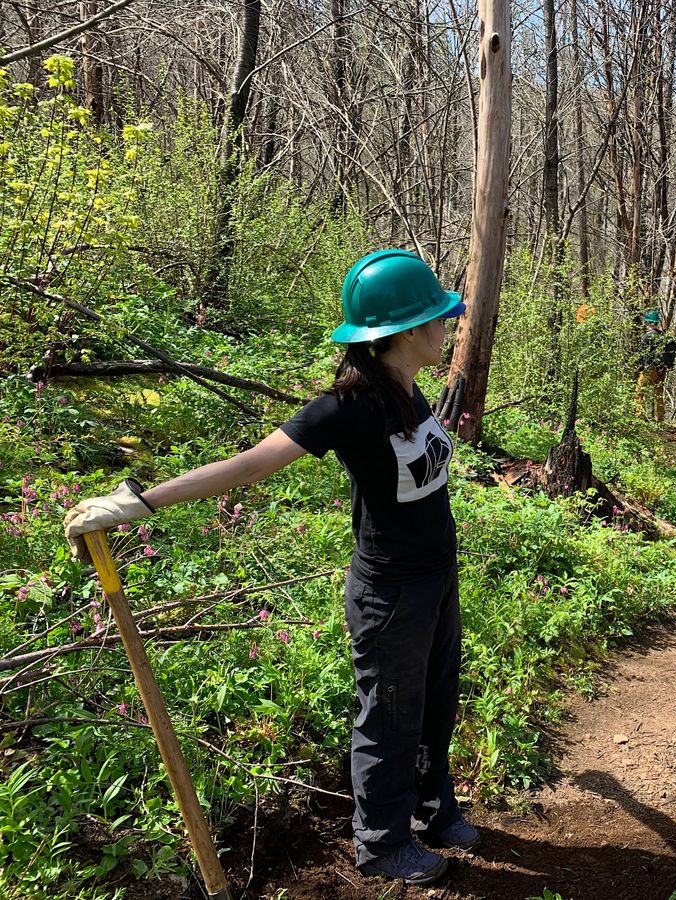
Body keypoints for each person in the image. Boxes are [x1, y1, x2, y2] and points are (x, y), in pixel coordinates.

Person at [63, 249, 478, 886]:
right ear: (403, 333)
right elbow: (248, 465)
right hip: (391, 593)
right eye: (435, 319)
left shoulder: (408, 390)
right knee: (390, 712)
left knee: (435, 702)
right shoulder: (346, 408)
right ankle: (382, 841)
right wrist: (138, 502)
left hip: (435, 578)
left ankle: (430, 804)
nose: (445, 329)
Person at [634, 310, 676, 423]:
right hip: (662, 370)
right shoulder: (664, 337)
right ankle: (660, 419)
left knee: (639, 391)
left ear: (647, 322)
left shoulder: (646, 337)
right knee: (658, 394)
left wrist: (638, 368)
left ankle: (640, 417)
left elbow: (642, 356)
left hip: (650, 369)